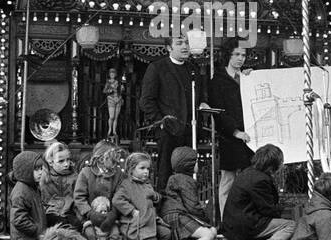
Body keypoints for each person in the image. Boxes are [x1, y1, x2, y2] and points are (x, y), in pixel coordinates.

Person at [220, 143, 297, 240]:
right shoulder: (260, 179)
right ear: (272, 164)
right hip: (244, 225)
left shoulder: (248, 173)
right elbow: (268, 209)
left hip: (237, 221)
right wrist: (284, 206)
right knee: (290, 225)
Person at [139, 34, 199, 192]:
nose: (185, 46)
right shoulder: (157, 68)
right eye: (179, 43)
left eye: (186, 42)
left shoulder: (193, 68)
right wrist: (161, 123)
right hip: (167, 131)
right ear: (169, 48)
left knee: (188, 173)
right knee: (165, 172)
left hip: (188, 130)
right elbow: (146, 101)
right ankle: (164, 208)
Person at [204, 38, 254, 216]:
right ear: (228, 55)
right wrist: (235, 131)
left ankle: (247, 216)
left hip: (250, 134)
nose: (241, 58)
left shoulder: (247, 78)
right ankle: (226, 218)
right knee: (228, 178)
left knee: (250, 177)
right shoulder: (217, 80)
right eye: (237, 55)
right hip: (230, 135)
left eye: (243, 55)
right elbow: (218, 111)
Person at [111, 152, 173, 240]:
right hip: (135, 223)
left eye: (148, 169)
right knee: (151, 239)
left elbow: (154, 198)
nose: (146, 172)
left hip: (150, 220)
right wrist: (132, 211)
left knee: (166, 234)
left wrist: (155, 196)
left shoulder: (146, 184)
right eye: (142, 168)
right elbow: (117, 200)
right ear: (131, 169)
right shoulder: (127, 185)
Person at [160, 146, 219, 240]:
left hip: (171, 214)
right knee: (208, 234)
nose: (198, 164)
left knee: (209, 232)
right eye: (196, 161)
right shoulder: (186, 180)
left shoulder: (174, 177)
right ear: (188, 164)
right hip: (178, 214)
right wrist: (207, 221)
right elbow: (193, 206)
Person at [75, 140, 124, 240]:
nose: (115, 164)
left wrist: (113, 214)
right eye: (112, 160)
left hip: (110, 217)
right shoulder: (86, 173)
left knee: (115, 235)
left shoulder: (118, 174)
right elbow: (79, 197)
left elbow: (120, 196)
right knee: (90, 235)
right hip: (91, 217)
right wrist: (90, 214)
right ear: (101, 158)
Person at [37, 141, 79, 229]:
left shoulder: (75, 177)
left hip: (70, 214)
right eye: (61, 161)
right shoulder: (43, 177)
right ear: (51, 162)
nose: (66, 164)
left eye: (68, 160)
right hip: (49, 215)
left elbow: (78, 200)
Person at [103, 67, 125, 141]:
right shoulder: (108, 82)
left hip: (118, 99)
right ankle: (109, 129)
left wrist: (122, 88)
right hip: (111, 99)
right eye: (111, 73)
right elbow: (104, 91)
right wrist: (110, 90)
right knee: (111, 116)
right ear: (109, 74)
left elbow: (121, 90)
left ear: (115, 75)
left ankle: (114, 130)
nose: (112, 74)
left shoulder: (118, 82)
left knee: (116, 117)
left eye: (113, 73)